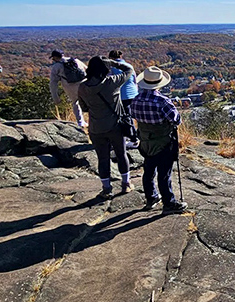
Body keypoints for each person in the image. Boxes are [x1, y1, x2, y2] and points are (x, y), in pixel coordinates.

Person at [131, 66, 188, 213]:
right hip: (164, 144)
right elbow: (176, 120)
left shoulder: (136, 100)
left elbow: (133, 116)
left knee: (148, 171)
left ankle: (151, 198)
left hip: (145, 143)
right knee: (164, 174)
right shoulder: (162, 101)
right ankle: (169, 203)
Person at [77, 56, 135, 199]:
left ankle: (106, 189)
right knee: (121, 154)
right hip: (115, 126)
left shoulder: (83, 87)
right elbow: (129, 69)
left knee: (102, 159)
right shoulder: (112, 82)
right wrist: (114, 62)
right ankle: (126, 184)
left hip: (96, 128)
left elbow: (84, 107)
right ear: (106, 69)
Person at [108, 49, 139, 148]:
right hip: (133, 93)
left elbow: (109, 82)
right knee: (131, 116)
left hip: (121, 95)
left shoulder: (112, 68)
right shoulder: (129, 66)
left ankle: (133, 139)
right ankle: (133, 136)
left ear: (111, 58)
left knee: (125, 117)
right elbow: (135, 80)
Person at [49, 50, 87, 128]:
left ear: (55, 57)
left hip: (70, 87)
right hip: (84, 84)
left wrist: (56, 98)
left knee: (75, 103)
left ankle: (80, 122)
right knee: (89, 102)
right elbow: (87, 69)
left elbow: (53, 83)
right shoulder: (76, 60)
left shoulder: (56, 67)